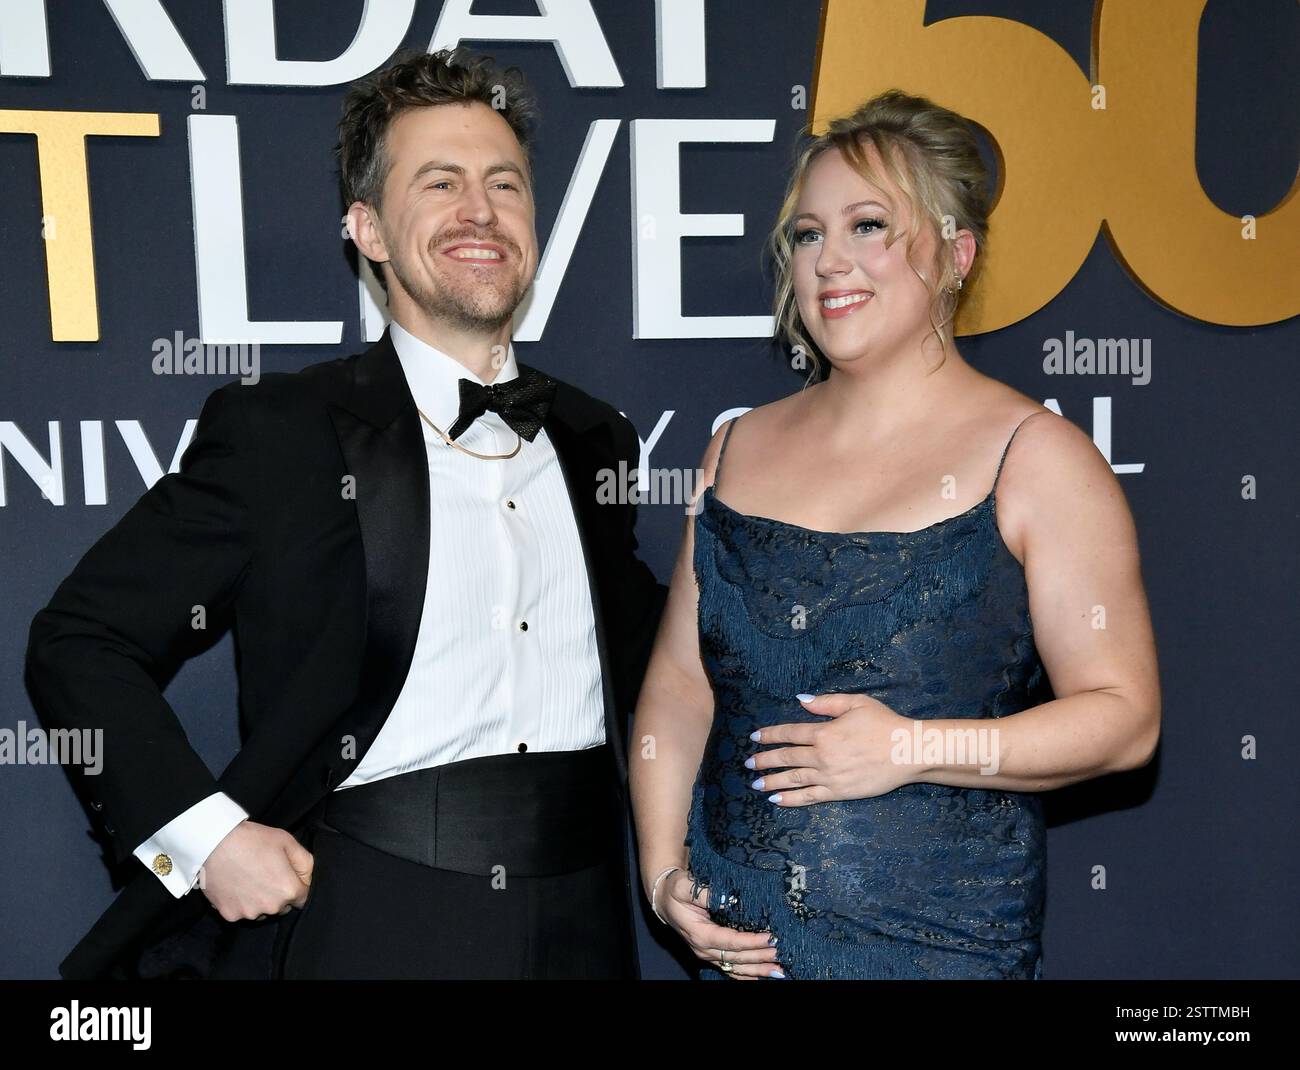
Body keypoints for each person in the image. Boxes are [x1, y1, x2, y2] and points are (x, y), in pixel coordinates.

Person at [26, 46, 665, 980]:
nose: (480, 212)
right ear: (367, 228)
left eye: (505, 184)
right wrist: (206, 841)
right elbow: (78, 639)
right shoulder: (283, 431)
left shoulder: (592, 435)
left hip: (589, 914)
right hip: (370, 912)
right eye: (439, 183)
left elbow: (662, 666)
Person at [630, 89, 1160, 980]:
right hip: (739, 959)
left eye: (869, 226)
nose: (831, 261)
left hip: (938, 957)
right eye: (808, 235)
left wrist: (911, 746)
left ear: (955, 254)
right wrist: (663, 876)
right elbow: (681, 688)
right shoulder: (736, 447)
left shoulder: (1036, 458)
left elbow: (1124, 720)